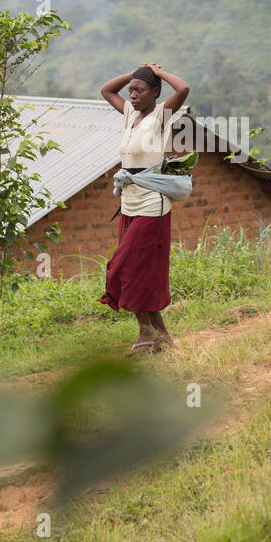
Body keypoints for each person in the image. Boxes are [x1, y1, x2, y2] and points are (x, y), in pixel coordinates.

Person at [98, 62, 190, 353]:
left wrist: (158, 72)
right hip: (129, 201)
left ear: (156, 92)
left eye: (140, 90)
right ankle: (159, 335)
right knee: (141, 269)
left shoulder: (160, 116)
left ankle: (145, 332)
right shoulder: (130, 115)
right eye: (131, 91)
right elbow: (106, 89)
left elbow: (184, 88)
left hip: (152, 202)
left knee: (124, 266)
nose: (133, 95)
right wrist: (136, 72)